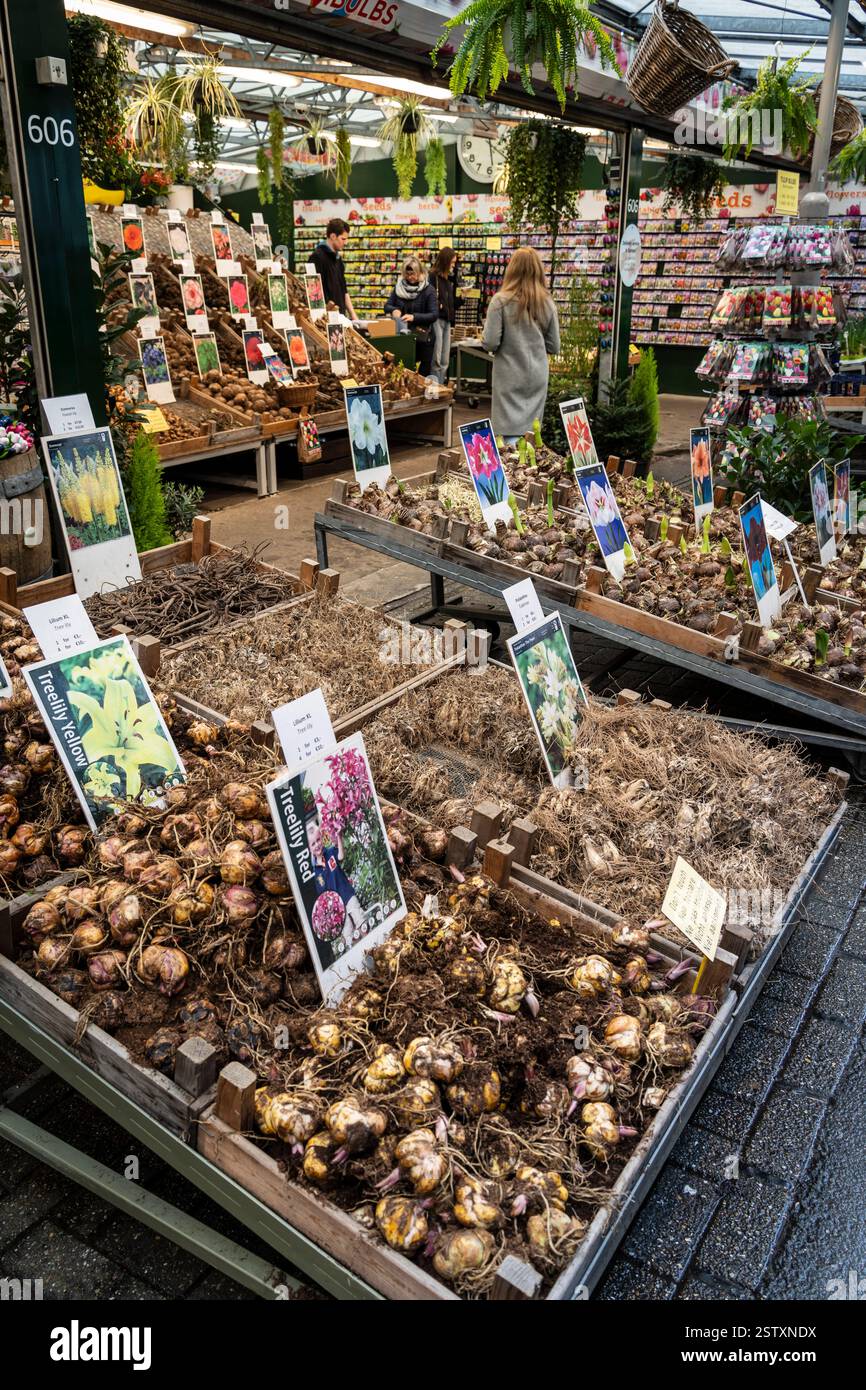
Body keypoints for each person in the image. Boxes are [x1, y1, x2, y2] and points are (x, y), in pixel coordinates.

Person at [480, 246, 560, 442]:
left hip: (509, 374)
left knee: (507, 437)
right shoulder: (547, 302)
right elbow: (554, 345)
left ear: (512, 269)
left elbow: (489, 342)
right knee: (531, 433)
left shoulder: (500, 301)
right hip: (537, 375)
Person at [308, 822, 366, 958]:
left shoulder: (330, 852)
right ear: (309, 848)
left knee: (360, 921)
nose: (317, 845)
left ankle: (371, 945)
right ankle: (359, 957)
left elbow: (340, 856)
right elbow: (323, 895)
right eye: (313, 844)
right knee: (348, 935)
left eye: (318, 840)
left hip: (347, 895)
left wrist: (339, 836)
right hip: (338, 910)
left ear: (322, 838)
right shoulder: (315, 872)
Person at [383, 255, 438, 377]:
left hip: (423, 339)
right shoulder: (398, 288)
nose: (410, 277)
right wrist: (394, 310)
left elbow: (434, 315)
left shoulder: (429, 290)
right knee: (403, 371)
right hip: (403, 339)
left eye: (413, 274)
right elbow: (387, 306)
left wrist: (414, 317)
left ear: (420, 272)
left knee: (421, 375)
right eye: (407, 274)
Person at [310, 217, 358, 321]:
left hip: (340, 316)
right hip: (325, 318)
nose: (345, 243)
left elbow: (343, 289)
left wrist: (353, 315)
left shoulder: (338, 259)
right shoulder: (317, 257)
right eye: (343, 239)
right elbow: (313, 291)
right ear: (332, 236)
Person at [430, 246, 461, 385]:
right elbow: (428, 298)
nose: (453, 266)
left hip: (447, 321)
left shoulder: (449, 281)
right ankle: (434, 390)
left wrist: (462, 298)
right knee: (436, 358)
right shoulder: (433, 278)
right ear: (445, 261)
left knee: (445, 360)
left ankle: (440, 387)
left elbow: (452, 304)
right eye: (452, 263)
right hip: (437, 320)